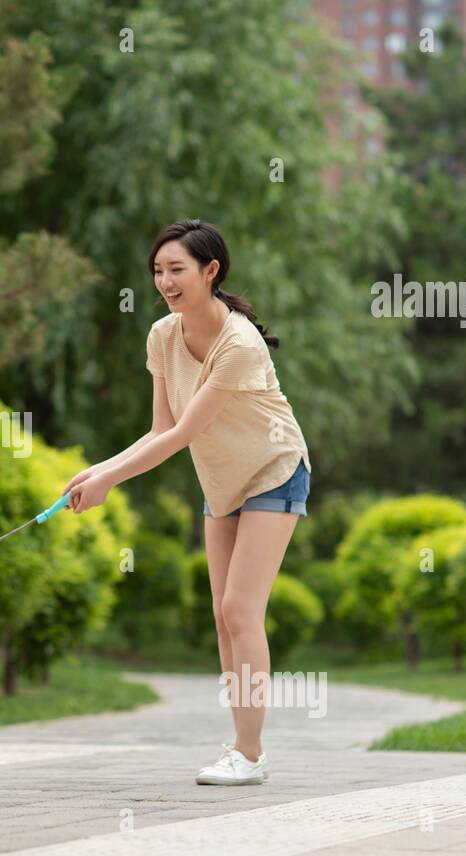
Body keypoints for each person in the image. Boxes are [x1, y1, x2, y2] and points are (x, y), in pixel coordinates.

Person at [65, 218, 312, 786]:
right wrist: (98, 470)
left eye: (177, 269)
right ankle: (239, 746)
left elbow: (181, 436)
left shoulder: (239, 342)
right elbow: (160, 426)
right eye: (158, 270)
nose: (165, 281)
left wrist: (110, 483)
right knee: (224, 620)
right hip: (221, 481)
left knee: (239, 610)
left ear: (211, 271)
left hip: (274, 470)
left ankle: (249, 754)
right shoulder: (161, 335)